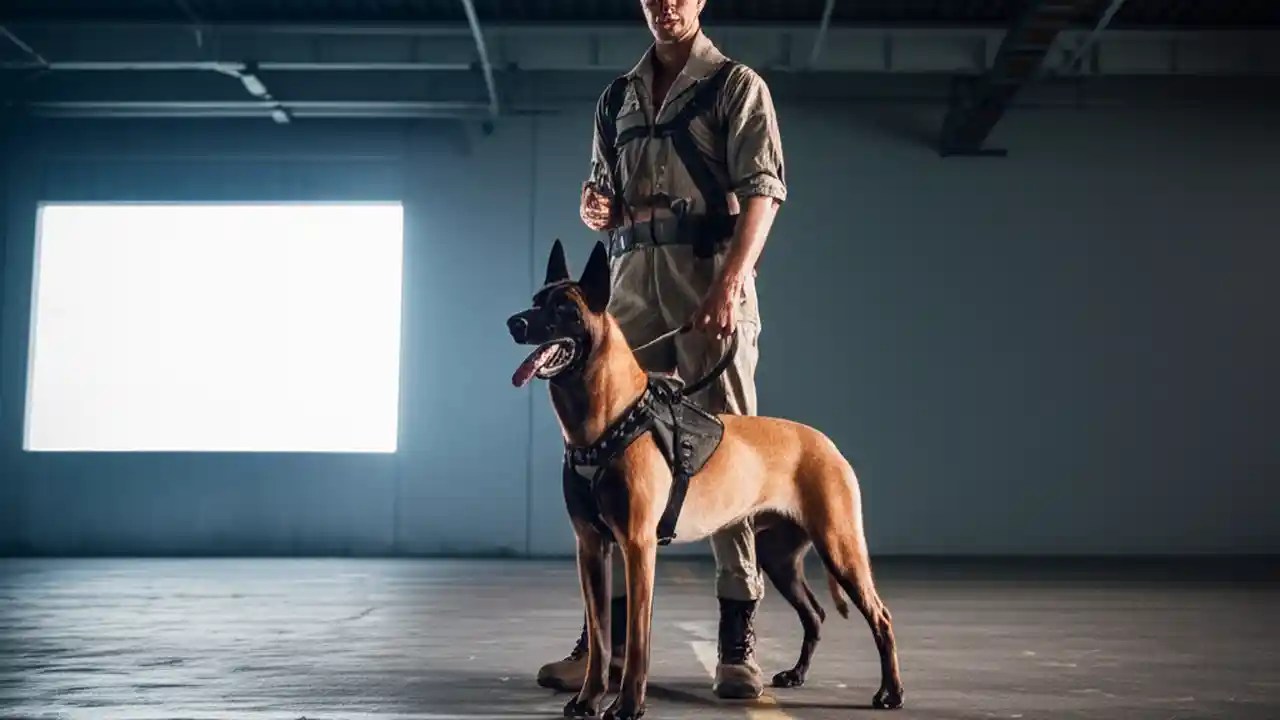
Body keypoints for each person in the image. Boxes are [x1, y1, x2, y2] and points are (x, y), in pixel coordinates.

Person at [536, 0, 786, 700]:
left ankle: (737, 637)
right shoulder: (616, 97)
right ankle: (604, 645)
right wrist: (596, 207)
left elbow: (763, 195)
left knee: (729, 454)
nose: (667, 5)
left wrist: (730, 286)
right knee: (600, 454)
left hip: (708, 282)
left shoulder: (735, 85)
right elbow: (602, 192)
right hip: (628, 293)